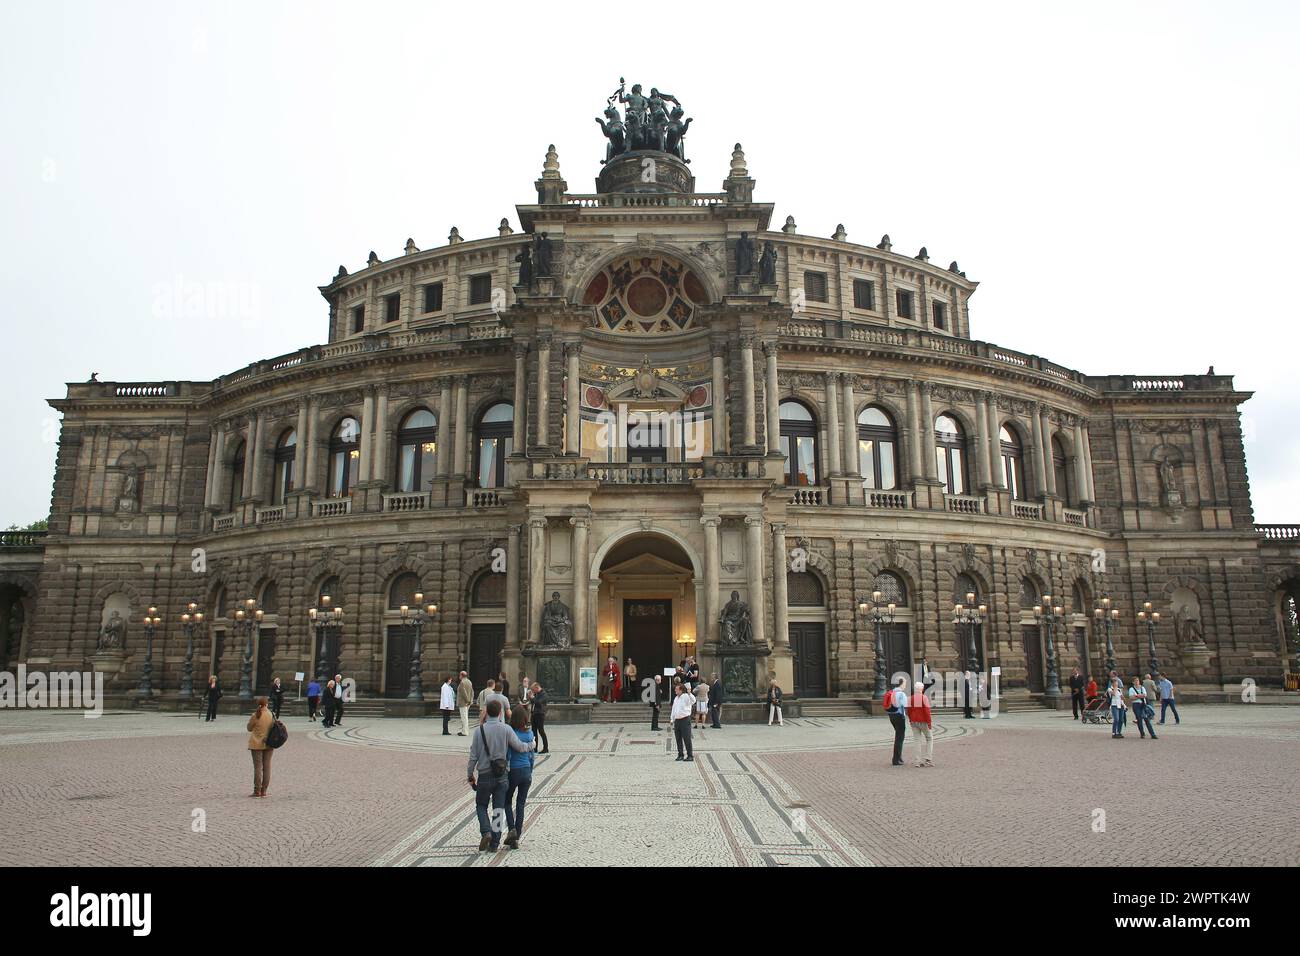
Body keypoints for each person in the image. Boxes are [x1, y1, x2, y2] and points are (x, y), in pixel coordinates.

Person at [467, 698, 534, 852]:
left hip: (484, 775)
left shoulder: (479, 730)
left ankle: (486, 831)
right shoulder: (506, 729)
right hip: (501, 776)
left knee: (481, 805)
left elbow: (473, 757)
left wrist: (470, 775)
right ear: (500, 713)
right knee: (498, 808)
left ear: (487, 713)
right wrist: (532, 745)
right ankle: (495, 843)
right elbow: (519, 746)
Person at [503, 706, 535, 849]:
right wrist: (530, 769)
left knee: (507, 801)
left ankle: (512, 830)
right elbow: (532, 755)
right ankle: (517, 836)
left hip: (514, 771)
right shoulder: (529, 733)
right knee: (521, 804)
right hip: (526, 771)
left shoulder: (511, 733)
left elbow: (508, 754)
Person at [246, 695, 274, 797]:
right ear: (266, 704)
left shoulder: (255, 715)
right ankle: (264, 790)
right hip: (269, 743)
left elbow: (249, 728)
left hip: (256, 744)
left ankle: (256, 790)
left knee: (258, 767)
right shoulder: (271, 715)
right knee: (267, 767)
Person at [908, 680, 934, 767]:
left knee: (917, 741)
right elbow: (927, 711)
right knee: (929, 739)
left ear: (915, 689)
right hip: (923, 721)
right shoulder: (924, 698)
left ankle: (917, 761)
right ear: (922, 689)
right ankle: (928, 759)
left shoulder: (911, 698)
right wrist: (929, 723)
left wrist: (910, 720)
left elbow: (909, 710)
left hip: (914, 721)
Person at [886, 676, 909, 766]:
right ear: (901, 683)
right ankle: (896, 759)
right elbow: (905, 705)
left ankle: (899, 757)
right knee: (900, 738)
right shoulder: (901, 694)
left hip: (891, 715)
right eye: (904, 683)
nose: (905, 685)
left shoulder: (891, 692)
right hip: (899, 716)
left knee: (898, 736)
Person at [671, 682, 695, 761]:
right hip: (677, 720)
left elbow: (693, 700)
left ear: (681, 690)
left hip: (685, 719)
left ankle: (690, 755)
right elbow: (674, 709)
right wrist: (672, 719)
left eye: (677, 690)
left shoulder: (685, 696)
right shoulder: (676, 698)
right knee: (678, 738)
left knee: (687, 738)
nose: (675, 691)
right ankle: (680, 754)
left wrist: (689, 693)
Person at [530, 682, 549, 753]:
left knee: (541, 731)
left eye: (533, 690)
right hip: (534, 714)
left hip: (540, 714)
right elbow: (533, 702)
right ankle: (535, 748)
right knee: (534, 732)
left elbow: (539, 703)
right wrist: (531, 697)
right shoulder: (536, 694)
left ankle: (545, 748)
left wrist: (533, 697)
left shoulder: (544, 694)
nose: (533, 691)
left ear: (537, 687)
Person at [456, 671, 473, 736]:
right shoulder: (469, 682)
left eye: (459, 675)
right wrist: (470, 700)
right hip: (468, 703)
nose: (459, 676)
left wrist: (467, 700)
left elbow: (463, 693)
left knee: (464, 718)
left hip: (463, 702)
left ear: (461, 675)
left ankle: (465, 732)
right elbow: (472, 692)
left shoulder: (462, 682)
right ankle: (464, 730)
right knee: (465, 717)